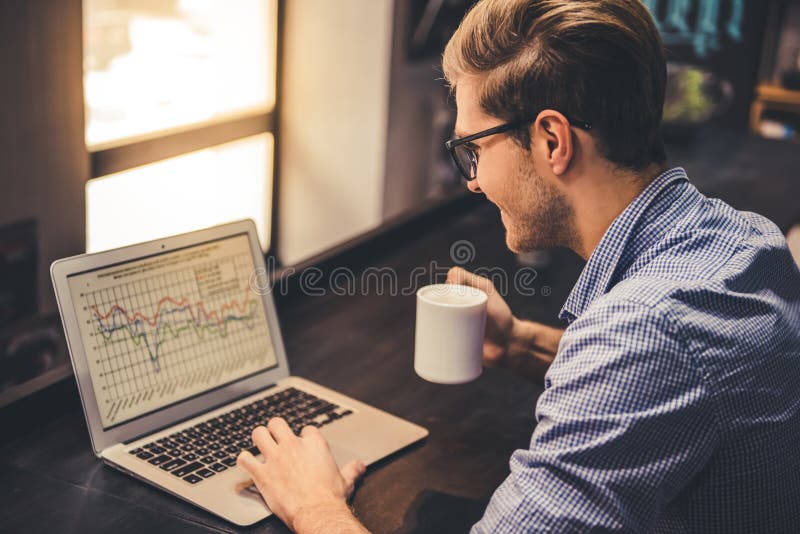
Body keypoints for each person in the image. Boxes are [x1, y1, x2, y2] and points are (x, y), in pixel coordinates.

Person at [237, 0, 800, 531]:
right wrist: (521, 345)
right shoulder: (740, 237)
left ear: (552, 139)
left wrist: (312, 504)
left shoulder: (645, 333)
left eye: (473, 149)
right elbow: (671, 380)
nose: (473, 179)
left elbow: (645, 354)